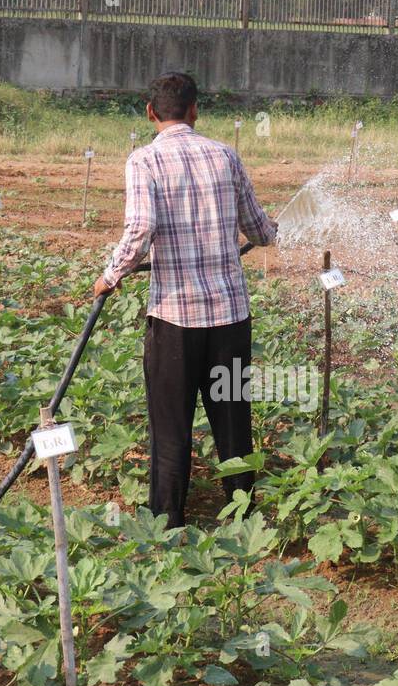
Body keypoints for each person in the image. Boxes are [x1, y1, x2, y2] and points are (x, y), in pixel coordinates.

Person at [93, 72, 278, 528]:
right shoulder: (225, 156)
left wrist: (111, 275)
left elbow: (139, 229)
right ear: (195, 110)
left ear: (150, 113)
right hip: (230, 319)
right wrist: (271, 231)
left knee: (172, 427)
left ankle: (167, 524)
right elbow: (259, 231)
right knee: (234, 419)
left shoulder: (145, 161)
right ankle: (243, 515)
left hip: (175, 320)